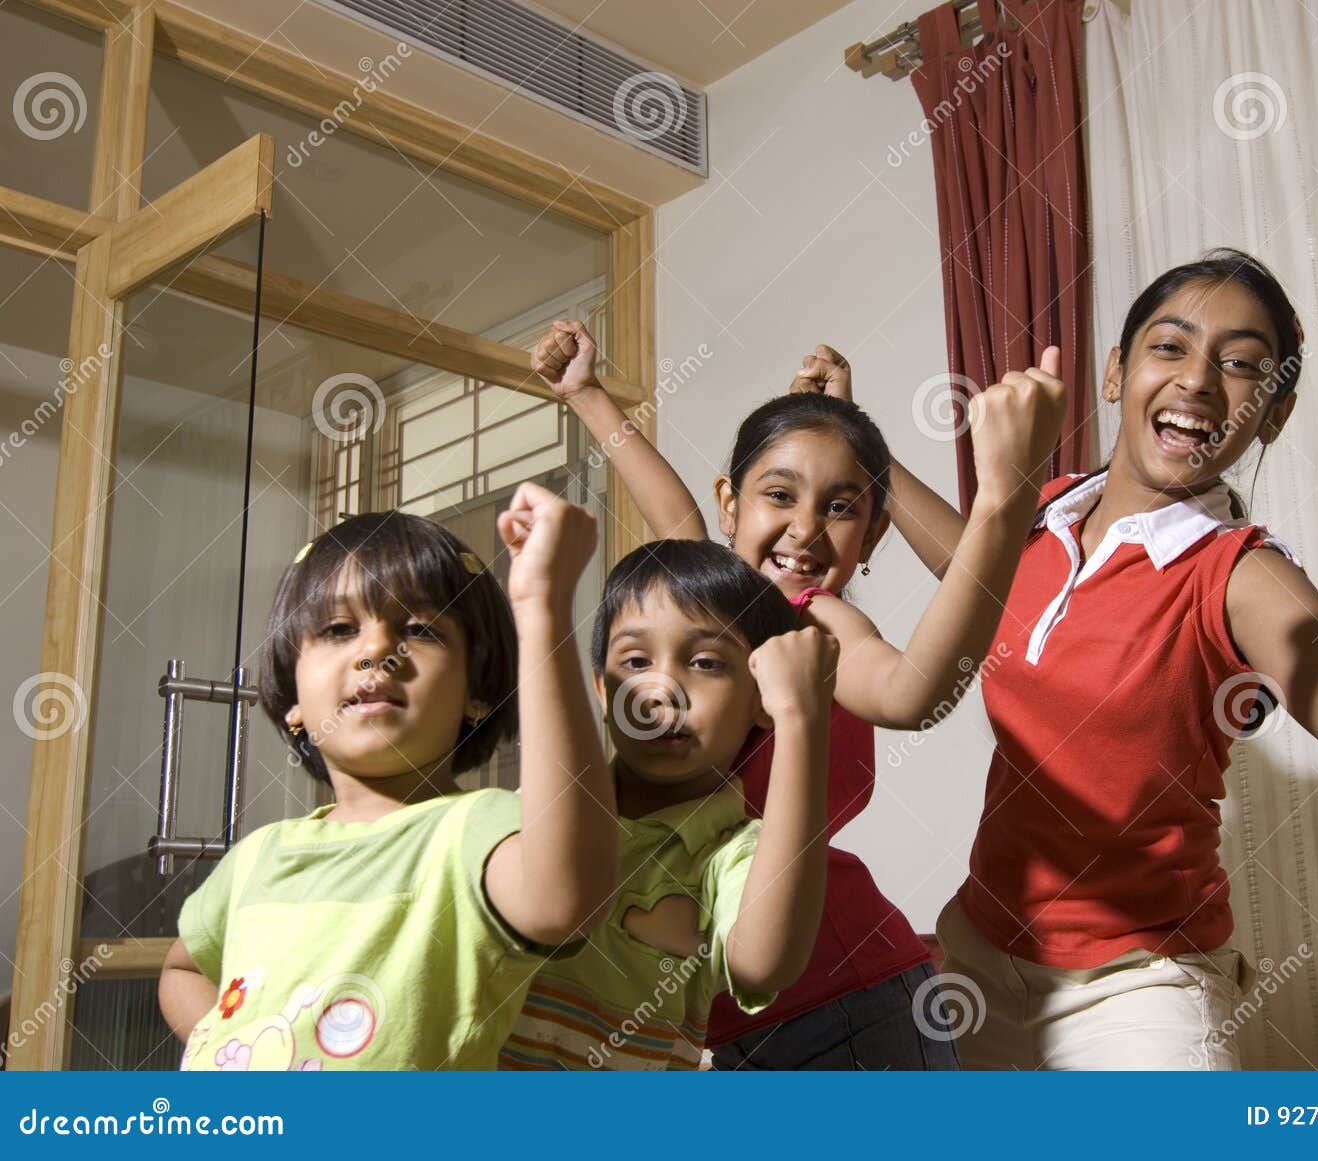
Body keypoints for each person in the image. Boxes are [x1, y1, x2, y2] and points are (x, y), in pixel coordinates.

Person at [812, 248, 1318, 1069]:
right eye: (1170, 346)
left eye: (1241, 365)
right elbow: (969, 571)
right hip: (977, 951)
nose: (1197, 380)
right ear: (1115, 373)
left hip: (1135, 990)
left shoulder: (1239, 576)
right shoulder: (1047, 513)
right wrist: (857, 436)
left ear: (1274, 413)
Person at [530, 319, 1066, 1068]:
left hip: (848, 1002)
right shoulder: (714, 612)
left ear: (873, 536)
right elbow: (673, 514)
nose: (806, 530)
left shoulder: (819, 628)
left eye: (841, 507)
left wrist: (1002, 496)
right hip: (706, 1018)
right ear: (732, 506)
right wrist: (587, 395)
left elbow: (916, 692)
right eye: (779, 495)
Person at [158, 486, 617, 1070]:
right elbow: (181, 967)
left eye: (420, 630)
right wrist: (230, 1049)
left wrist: (542, 607)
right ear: (293, 699)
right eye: (337, 629)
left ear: (477, 695)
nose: (378, 649)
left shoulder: (475, 830)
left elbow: (566, 899)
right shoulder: (256, 857)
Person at [499, 540, 835, 1070]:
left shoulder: (729, 853)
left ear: (762, 698)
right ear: (601, 690)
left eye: (705, 662)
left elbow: (762, 964)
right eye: (635, 661)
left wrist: (802, 720)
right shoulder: (537, 813)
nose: (661, 690)